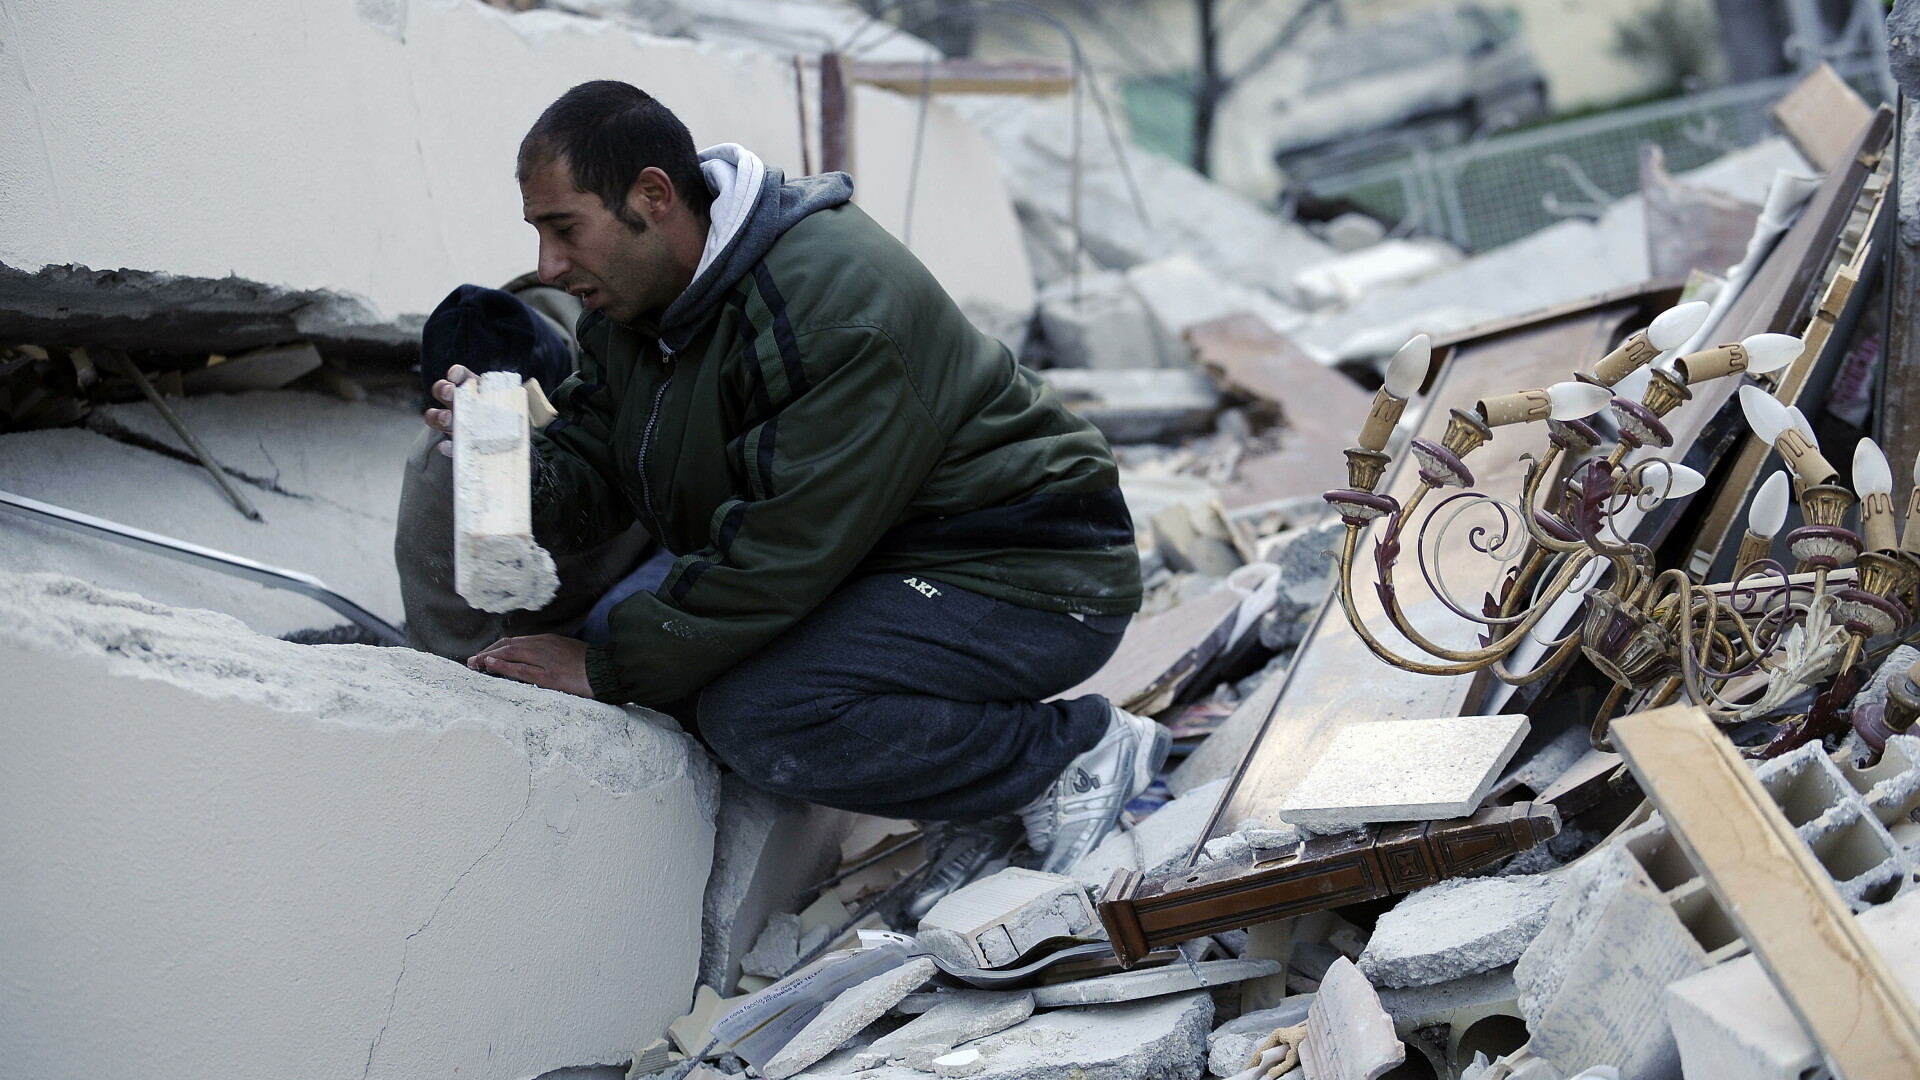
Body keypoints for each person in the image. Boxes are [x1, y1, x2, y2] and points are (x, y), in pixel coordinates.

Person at [419, 80, 1163, 886]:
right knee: (702, 677)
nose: (548, 266)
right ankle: (983, 803)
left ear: (653, 197)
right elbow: (598, 475)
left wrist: (606, 667)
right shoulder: (632, 316)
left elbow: (778, 553)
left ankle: (1069, 755)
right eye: (538, 233)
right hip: (889, 562)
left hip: (1030, 568)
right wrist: (511, 468)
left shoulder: (828, 305)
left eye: (565, 229)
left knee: (758, 715)